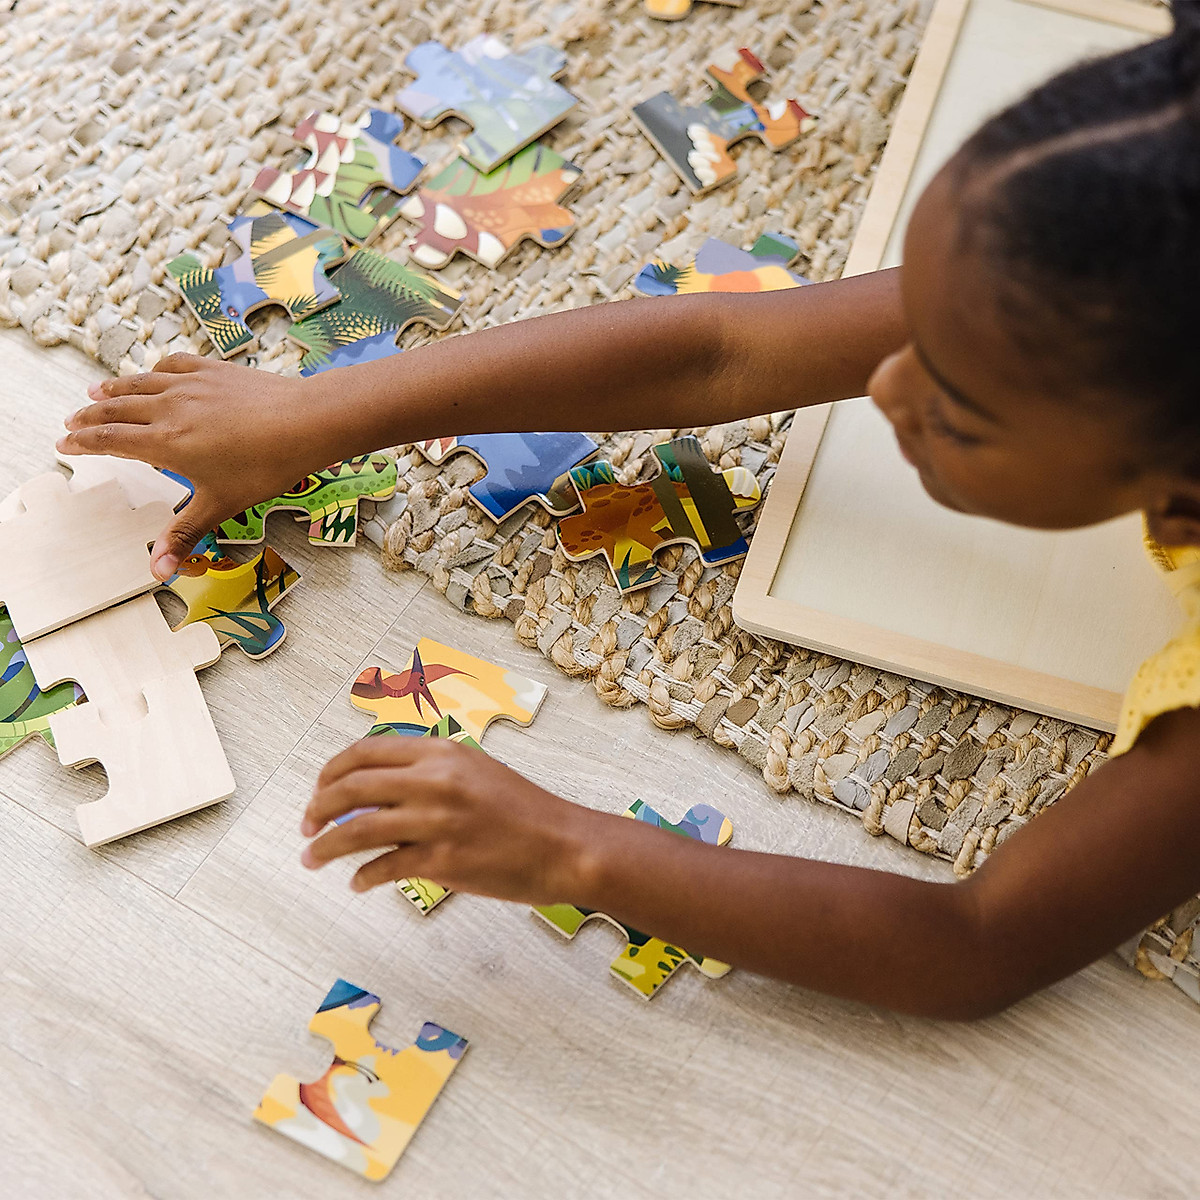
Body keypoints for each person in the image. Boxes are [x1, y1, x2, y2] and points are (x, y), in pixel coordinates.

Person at [57, 5, 1200, 1018]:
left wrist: (576, 849)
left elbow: (975, 945)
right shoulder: (1087, 278)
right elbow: (719, 350)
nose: (887, 386)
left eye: (959, 404)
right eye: (918, 333)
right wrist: (321, 411)